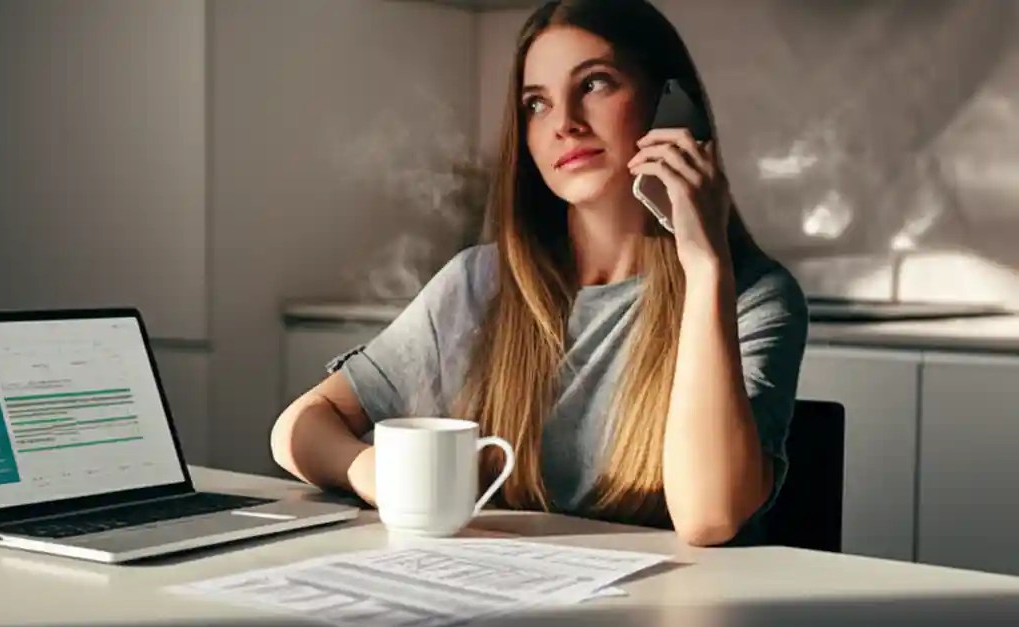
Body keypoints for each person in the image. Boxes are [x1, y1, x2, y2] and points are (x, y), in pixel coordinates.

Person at [270, 0, 808, 546]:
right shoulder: (480, 284)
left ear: (672, 106)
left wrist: (706, 264)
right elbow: (299, 426)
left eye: (594, 84)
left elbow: (709, 517)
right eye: (537, 104)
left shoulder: (753, 297)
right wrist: (371, 472)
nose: (564, 124)